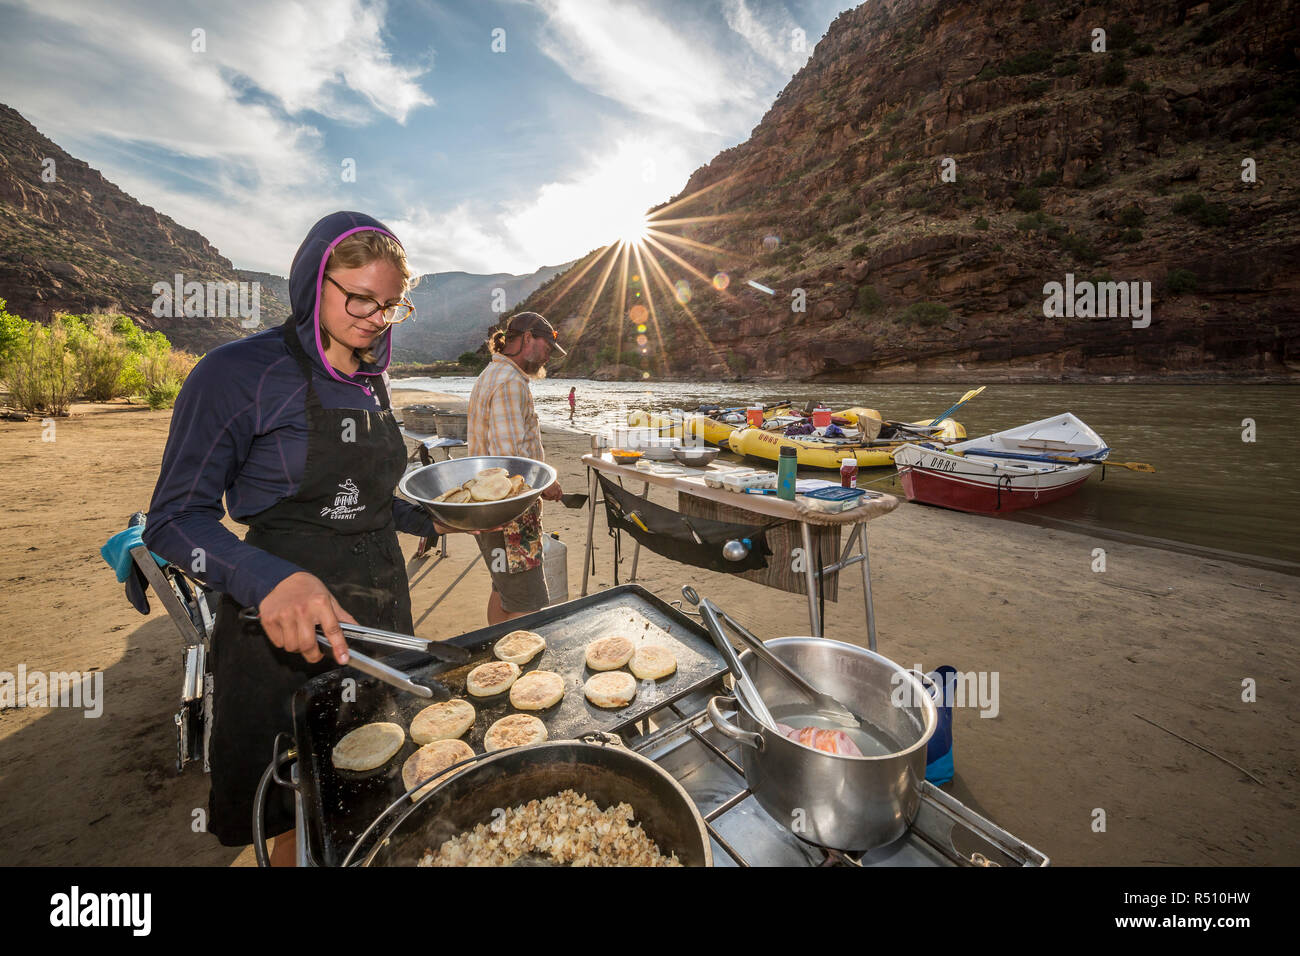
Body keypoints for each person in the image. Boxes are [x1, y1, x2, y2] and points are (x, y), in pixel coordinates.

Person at [143, 211, 459, 865]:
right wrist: (268, 580)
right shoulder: (237, 373)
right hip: (280, 627)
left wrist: (433, 516)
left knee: (373, 789)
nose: (375, 318)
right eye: (359, 298)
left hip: (379, 618)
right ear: (313, 281)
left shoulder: (372, 381)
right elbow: (174, 520)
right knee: (297, 817)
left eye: (391, 306)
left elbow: (364, 498)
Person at [467, 312, 565, 623]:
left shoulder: (492, 374)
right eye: (546, 346)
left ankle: (495, 663)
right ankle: (515, 669)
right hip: (509, 514)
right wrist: (544, 483)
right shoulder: (509, 382)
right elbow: (508, 461)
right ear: (526, 339)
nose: (548, 354)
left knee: (504, 591)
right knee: (527, 602)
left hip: (488, 510)